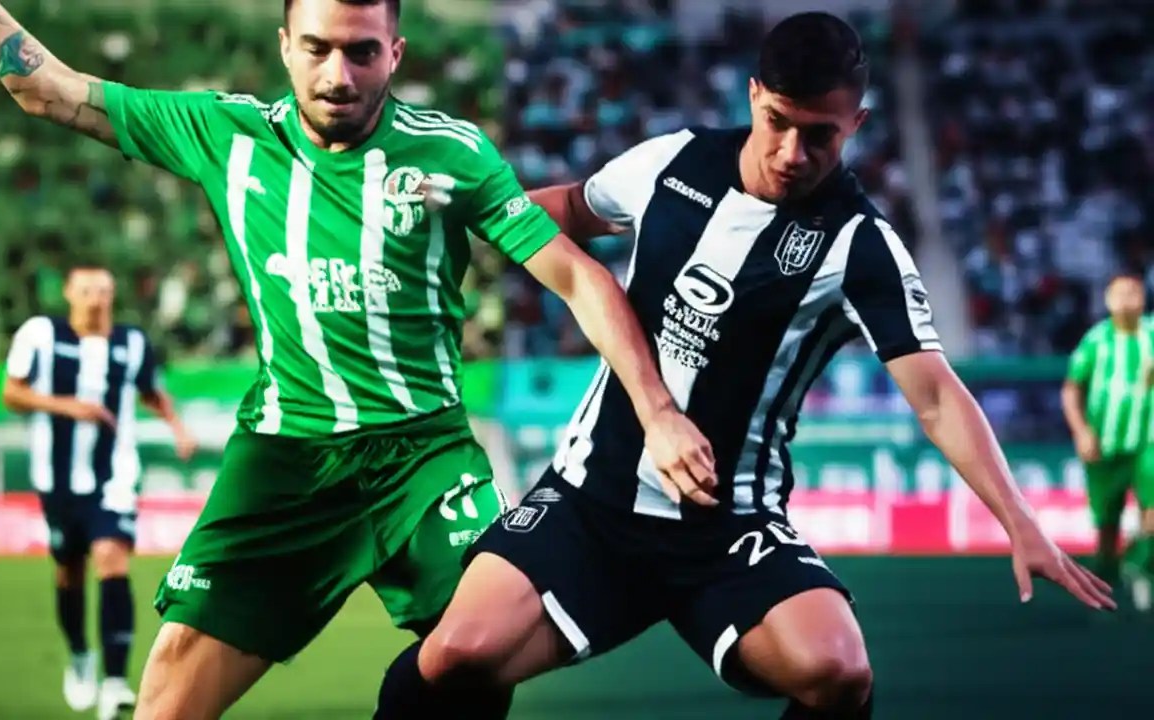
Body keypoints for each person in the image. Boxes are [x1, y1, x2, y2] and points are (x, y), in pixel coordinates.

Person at [0, 0, 714, 717]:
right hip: (287, 461)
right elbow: (45, 88)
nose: (337, 74)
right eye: (316, 49)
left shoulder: (450, 154)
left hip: (425, 460)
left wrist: (658, 414)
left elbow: (576, 276)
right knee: (168, 699)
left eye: (361, 52)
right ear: (285, 46)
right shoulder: (225, 134)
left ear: (395, 53)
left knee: (480, 664)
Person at [373, 12, 1116, 720]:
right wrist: (458, 212)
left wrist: (1021, 522)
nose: (793, 153)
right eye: (778, 122)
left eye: (820, 135)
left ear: (856, 123)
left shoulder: (861, 246)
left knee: (840, 671)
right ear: (754, 95)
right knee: (455, 655)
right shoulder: (672, 162)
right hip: (591, 502)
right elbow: (569, 205)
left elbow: (937, 398)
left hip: (729, 527)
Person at [2, 265, 195, 719]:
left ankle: (114, 682)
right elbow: (11, 394)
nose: (96, 298)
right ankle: (79, 654)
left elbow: (150, 391)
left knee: (111, 557)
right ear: (69, 293)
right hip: (58, 480)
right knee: (69, 570)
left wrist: (177, 426)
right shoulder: (41, 335)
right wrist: (66, 406)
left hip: (114, 476)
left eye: (105, 290)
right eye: (87, 290)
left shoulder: (132, 342)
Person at [1061, 274, 1154, 611]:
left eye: (1134, 292)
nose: (1128, 299)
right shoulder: (1096, 340)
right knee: (1106, 526)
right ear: (1108, 300)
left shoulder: (1152, 334)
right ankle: (1105, 585)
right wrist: (1082, 431)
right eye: (1120, 293)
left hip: (1147, 443)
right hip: (1103, 445)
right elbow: (1072, 389)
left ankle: (1138, 563)